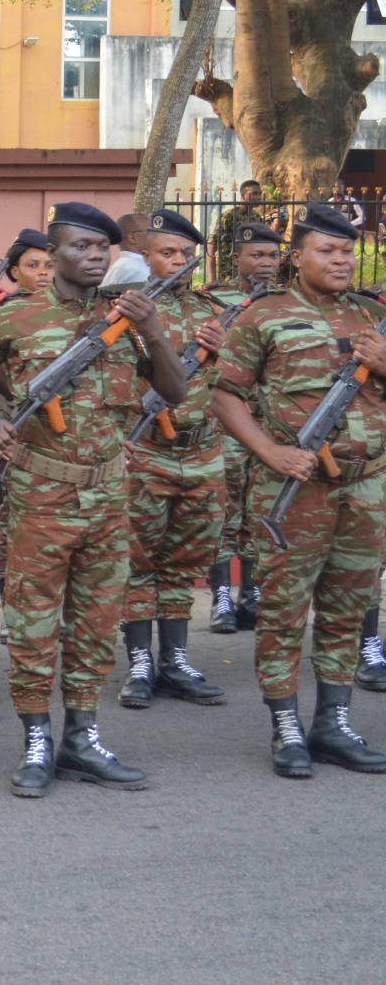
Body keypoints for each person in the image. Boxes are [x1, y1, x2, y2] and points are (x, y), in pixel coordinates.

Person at [0, 202, 188, 797]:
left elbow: (174, 389)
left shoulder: (127, 318)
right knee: (32, 622)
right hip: (41, 494)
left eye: (102, 248)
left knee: (97, 621)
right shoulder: (16, 317)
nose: (93, 256)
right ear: (53, 255)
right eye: (80, 246)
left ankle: (83, 737)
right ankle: (36, 740)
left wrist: (153, 329)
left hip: (108, 493)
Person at [210, 201, 386, 778]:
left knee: (347, 609)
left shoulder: (371, 315)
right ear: (297, 256)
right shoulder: (264, 316)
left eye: (346, 251)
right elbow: (225, 394)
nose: (340, 260)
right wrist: (268, 450)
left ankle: (332, 723)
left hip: (366, 487)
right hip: (296, 487)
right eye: (326, 251)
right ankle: (286, 724)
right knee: (285, 610)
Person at [115, 210, 229, 709]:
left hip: (202, 452)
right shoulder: (123, 312)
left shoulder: (216, 310)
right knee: (139, 560)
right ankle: (140, 661)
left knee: (184, 562)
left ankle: (176, 660)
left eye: (186, 254)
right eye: (168, 252)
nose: (179, 262)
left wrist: (226, 353)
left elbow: (241, 383)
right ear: (145, 256)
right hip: (145, 451)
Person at [202, 222, 282, 635]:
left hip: (273, 423)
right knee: (225, 509)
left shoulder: (289, 302)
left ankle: (251, 594)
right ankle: (221, 598)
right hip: (230, 422)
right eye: (257, 256)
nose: (266, 264)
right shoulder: (214, 300)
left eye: (272, 256)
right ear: (237, 259)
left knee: (261, 509)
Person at [0, 229, 54, 643]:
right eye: (33, 266)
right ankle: (12, 606)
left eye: (49, 265)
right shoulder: (4, 313)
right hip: (18, 434)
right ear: (14, 272)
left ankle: (54, 609)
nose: (44, 273)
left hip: (69, 441)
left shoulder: (81, 311)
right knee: (14, 526)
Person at [211, 181, 273, 284]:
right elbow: (212, 245)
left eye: (259, 194)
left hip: (251, 272)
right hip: (229, 272)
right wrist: (213, 279)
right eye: (254, 194)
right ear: (243, 195)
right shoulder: (229, 216)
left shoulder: (256, 217)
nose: (258, 197)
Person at [100, 213, 150, 288]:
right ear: (132, 238)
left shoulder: (123, 265)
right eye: (150, 231)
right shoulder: (137, 270)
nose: (157, 236)